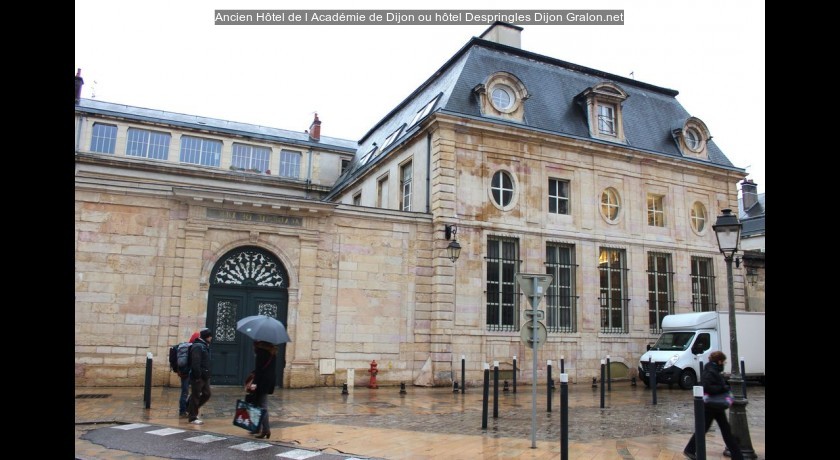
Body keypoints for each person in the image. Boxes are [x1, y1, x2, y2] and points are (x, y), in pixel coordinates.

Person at [683, 351, 743, 460]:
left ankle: (737, 454)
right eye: (723, 362)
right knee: (717, 430)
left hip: (715, 406)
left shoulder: (712, 369)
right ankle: (690, 449)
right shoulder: (711, 371)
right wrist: (723, 388)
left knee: (724, 430)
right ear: (719, 361)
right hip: (711, 406)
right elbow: (707, 387)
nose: (724, 364)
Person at [247, 340, 279, 439]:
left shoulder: (261, 352)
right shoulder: (272, 351)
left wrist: (254, 383)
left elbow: (259, 370)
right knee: (258, 404)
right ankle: (257, 428)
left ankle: (266, 429)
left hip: (261, 381)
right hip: (269, 381)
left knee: (262, 406)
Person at [186, 328, 213, 425]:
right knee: (196, 395)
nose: (211, 338)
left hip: (205, 376)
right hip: (198, 376)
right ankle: (192, 417)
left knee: (207, 394)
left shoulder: (205, 346)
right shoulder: (198, 346)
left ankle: (190, 408)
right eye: (210, 336)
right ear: (207, 336)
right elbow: (195, 363)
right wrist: (197, 376)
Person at [177, 331, 200, 417]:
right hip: (189, 372)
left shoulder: (186, 347)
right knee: (190, 391)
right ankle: (183, 411)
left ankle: (184, 410)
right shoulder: (193, 348)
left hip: (184, 372)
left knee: (185, 391)